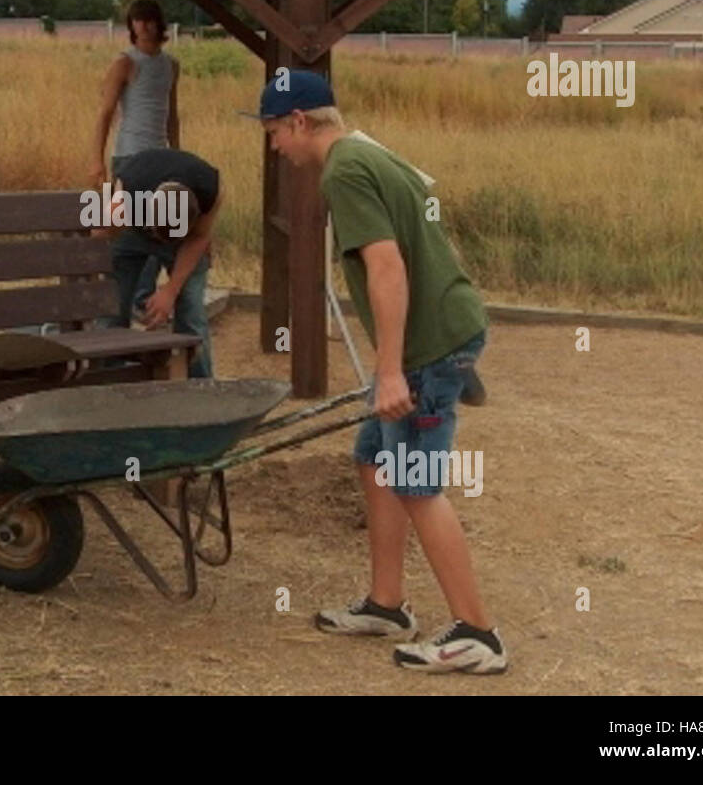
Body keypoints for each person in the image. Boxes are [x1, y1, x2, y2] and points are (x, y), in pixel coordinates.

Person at [253, 69, 505, 674]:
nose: (274, 148)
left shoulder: (344, 171)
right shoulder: (367, 152)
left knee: (417, 482)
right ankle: (387, 604)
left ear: (299, 121)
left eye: (273, 132)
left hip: (429, 347)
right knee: (374, 458)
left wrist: (391, 372)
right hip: (441, 334)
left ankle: (479, 634)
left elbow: (388, 269)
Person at [90, 0, 180, 313]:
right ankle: (115, 302)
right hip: (129, 155)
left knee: (163, 228)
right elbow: (105, 112)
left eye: (147, 20)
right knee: (124, 231)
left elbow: (172, 114)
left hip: (161, 156)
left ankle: (144, 296)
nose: (142, 26)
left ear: (158, 23)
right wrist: (96, 159)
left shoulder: (171, 65)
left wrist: (177, 155)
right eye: (136, 21)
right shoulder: (125, 63)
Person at [103, 148, 221, 379]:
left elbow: (199, 238)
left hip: (187, 240)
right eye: (158, 237)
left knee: (192, 314)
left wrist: (170, 290)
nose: (159, 245)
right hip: (131, 232)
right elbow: (100, 232)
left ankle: (202, 389)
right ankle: (109, 381)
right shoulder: (129, 188)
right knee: (112, 309)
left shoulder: (210, 188)